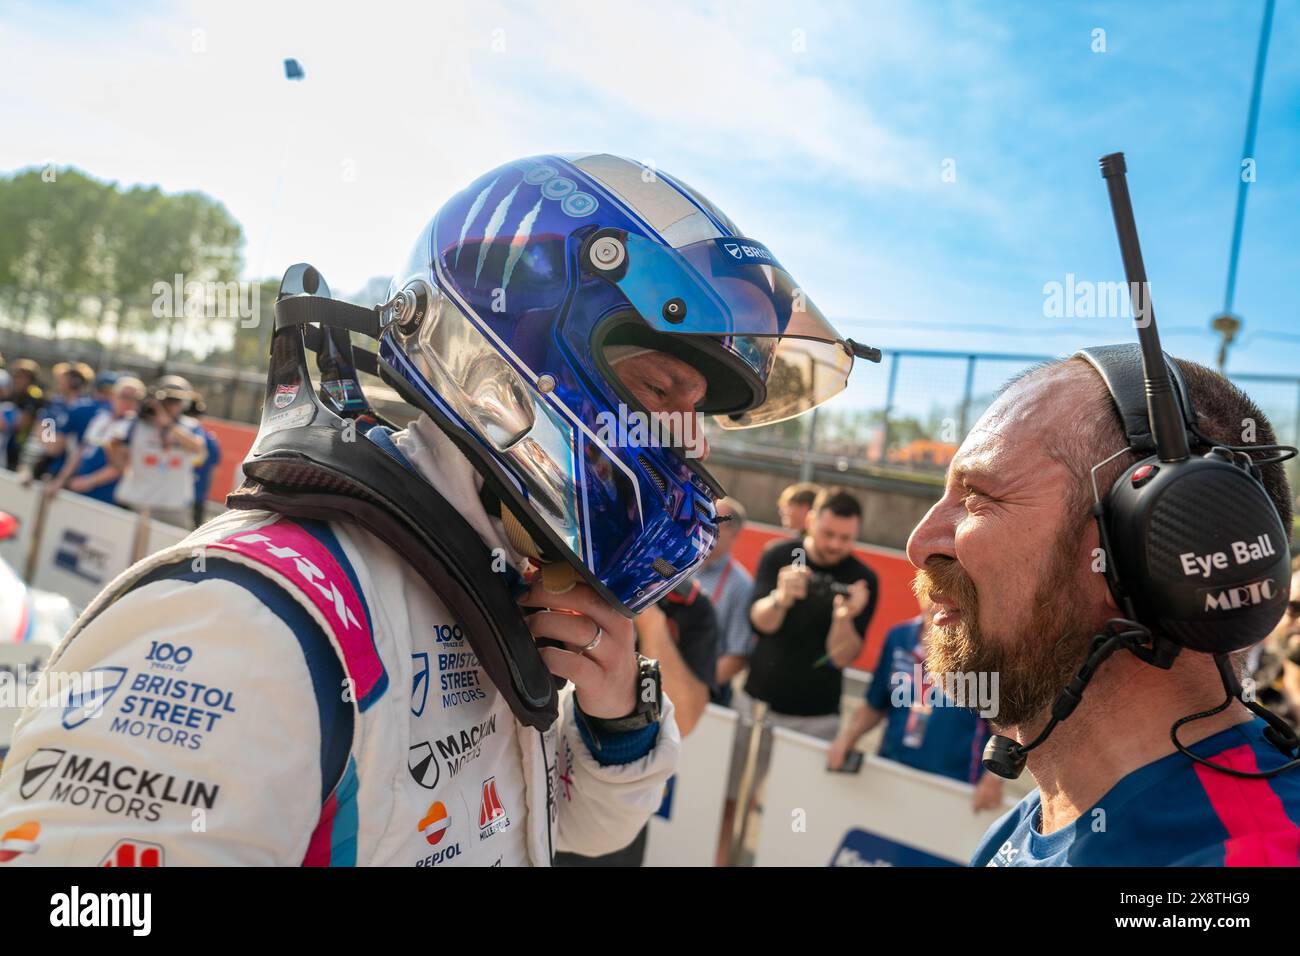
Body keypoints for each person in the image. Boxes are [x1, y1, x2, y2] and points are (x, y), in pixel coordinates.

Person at [0, 153, 873, 866]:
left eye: (694, 417)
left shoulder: (487, 574)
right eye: (656, 392)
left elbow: (575, 830)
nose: (682, 447)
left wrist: (618, 719)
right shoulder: (248, 622)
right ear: (519, 353)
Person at [907, 353, 1300, 866]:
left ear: (1154, 547)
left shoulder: (1256, 853)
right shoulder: (1021, 830)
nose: (920, 544)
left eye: (978, 496)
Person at [555, 578, 719, 867]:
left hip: (618, 813)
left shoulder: (691, 604)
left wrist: (647, 615)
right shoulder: (550, 565)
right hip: (527, 792)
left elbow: (683, 721)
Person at [827, 599, 1004, 811]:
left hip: (954, 789)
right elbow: (875, 705)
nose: (940, 603)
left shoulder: (980, 654)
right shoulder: (899, 638)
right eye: (934, 592)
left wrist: (995, 777)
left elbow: (1004, 727)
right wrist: (848, 737)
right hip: (890, 775)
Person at [110, 377, 208, 527]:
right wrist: (122, 466)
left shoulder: (190, 426)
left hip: (173, 506)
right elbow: (113, 445)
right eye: (166, 400)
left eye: (176, 401)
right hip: (136, 502)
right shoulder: (136, 423)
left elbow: (198, 449)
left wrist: (168, 424)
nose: (170, 405)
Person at [693, 495, 755, 705]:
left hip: (704, 695)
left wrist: (692, 688)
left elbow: (737, 656)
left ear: (734, 532)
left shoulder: (741, 586)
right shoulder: (679, 565)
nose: (704, 522)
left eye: (715, 519)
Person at [56, 376, 145, 505]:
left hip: (106, 495)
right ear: (114, 395)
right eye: (124, 396)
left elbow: (121, 465)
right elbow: (81, 450)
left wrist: (88, 481)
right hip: (79, 487)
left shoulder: (136, 426)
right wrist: (62, 480)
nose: (130, 402)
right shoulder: (101, 416)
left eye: (136, 399)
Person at [5, 360, 42, 471]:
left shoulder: (34, 395)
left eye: (22, 377)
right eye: (16, 376)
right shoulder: (12, 393)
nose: (18, 380)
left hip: (22, 445)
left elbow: (22, 423)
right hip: (8, 443)